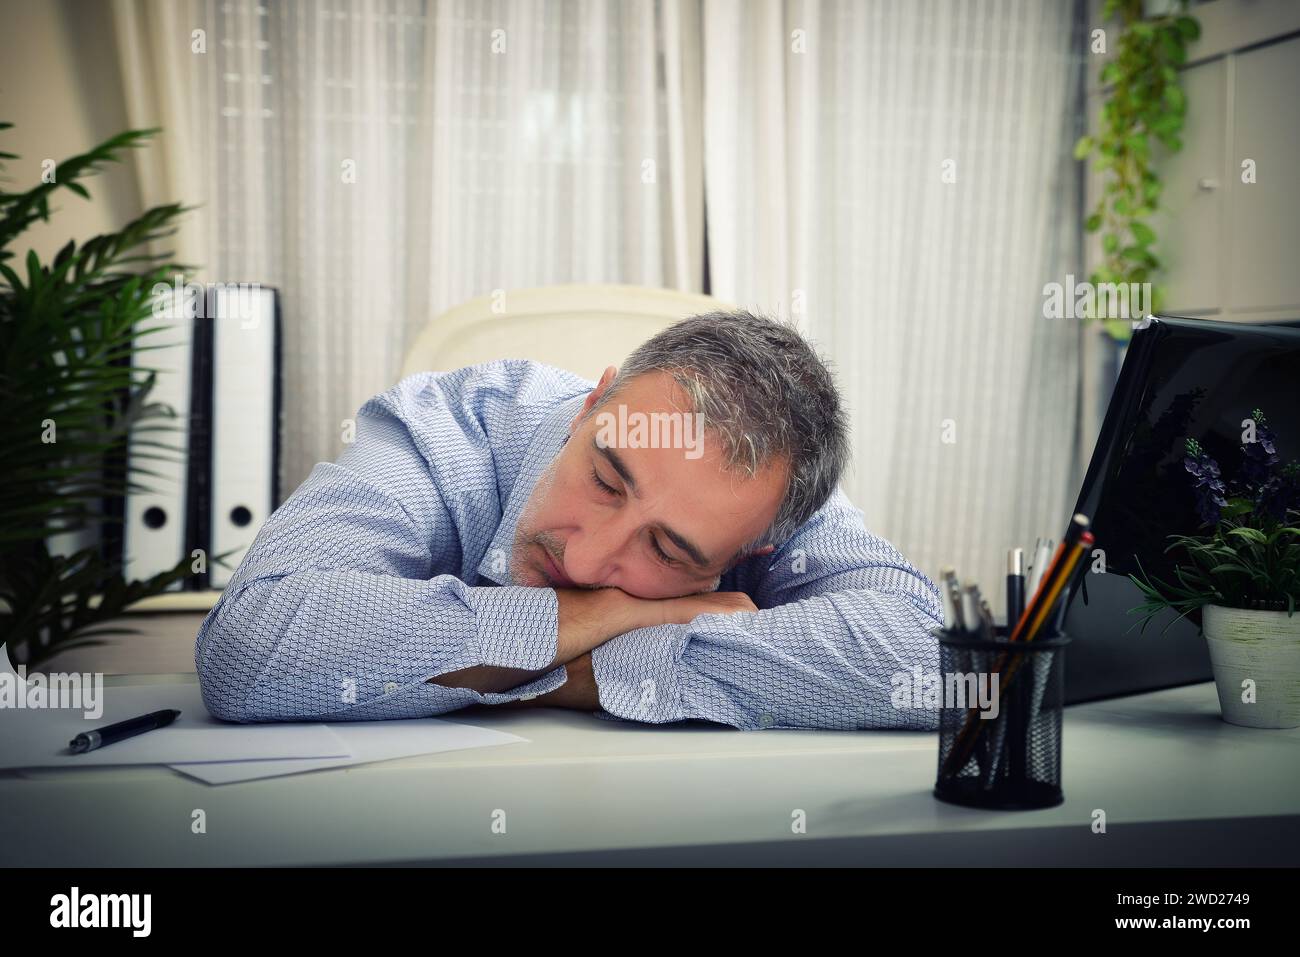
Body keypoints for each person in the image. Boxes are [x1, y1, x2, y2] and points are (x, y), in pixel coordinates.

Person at [195, 311, 942, 730]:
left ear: (761, 543)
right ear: (595, 403)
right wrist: (620, 612)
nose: (584, 566)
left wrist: (558, 671)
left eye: (668, 550)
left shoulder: (773, 493)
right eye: (607, 478)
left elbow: (933, 662)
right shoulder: (443, 427)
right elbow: (251, 644)